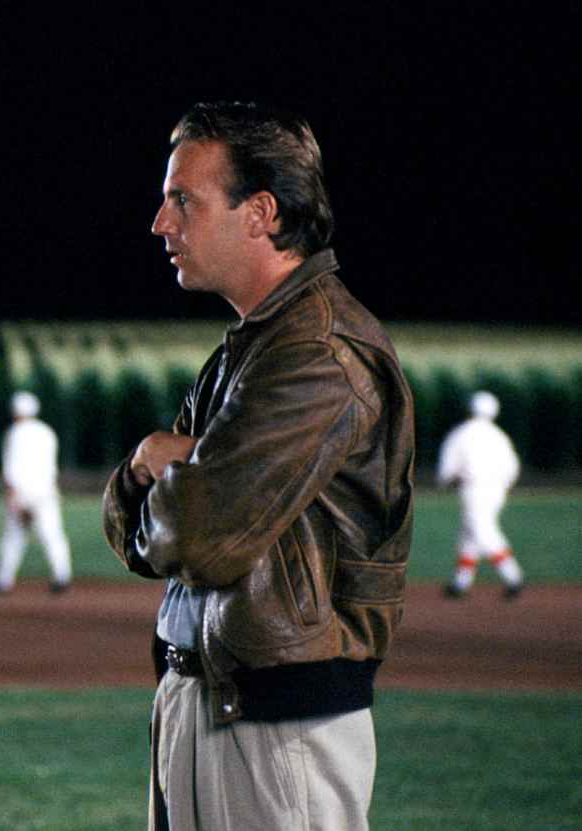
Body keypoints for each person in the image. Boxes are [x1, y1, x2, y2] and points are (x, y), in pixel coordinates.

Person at [101, 102, 415, 831]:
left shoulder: (318, 351)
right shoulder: (249, 348)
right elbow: (133, 532)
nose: (160, 222)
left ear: (262, 213)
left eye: (184, 200)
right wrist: (164, 465)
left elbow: (199, 539)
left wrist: (176, 464)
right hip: (210, 703)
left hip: (276, 726)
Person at [0, 391, 72, 593]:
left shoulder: (13, 433)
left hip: (22, 491)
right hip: (46, 490)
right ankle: (62, 577)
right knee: (52, 535)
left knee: (13, 537)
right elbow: (51, 465)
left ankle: (3, 581)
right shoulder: (47, 432)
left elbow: (11, 467)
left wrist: (12, 495)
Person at [438, 390, 523, 599]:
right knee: (470, 535)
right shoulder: (499, 436)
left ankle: (513, 577)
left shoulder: (461, 433)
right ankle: (460, 582)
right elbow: (512, 466)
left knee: (484, 532)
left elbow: (447, 468)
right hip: (497, 491)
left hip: (473, 490)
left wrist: (446, 481)